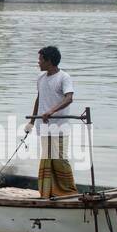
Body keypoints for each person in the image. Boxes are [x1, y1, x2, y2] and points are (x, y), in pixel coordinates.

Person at [26, 45, 77, 198]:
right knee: (47, 159)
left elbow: (69, 98)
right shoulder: (41, 78)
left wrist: (51, 111)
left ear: (49, 61)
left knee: (60, 159)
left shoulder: (64, 77)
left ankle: (68, 191)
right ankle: (49, 192)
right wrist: (32, 121)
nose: (38, 63)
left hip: (59, 127)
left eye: (41, 60)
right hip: (44, 127)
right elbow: (39, 98)